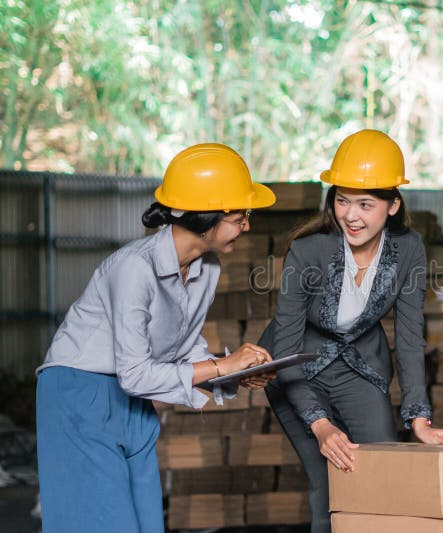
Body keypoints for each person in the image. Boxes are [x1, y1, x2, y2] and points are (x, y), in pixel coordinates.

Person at [35, 143, 278, 533]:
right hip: (78, 394)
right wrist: (221, 365)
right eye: (240, 215)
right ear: (205, 215)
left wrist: (234, 374)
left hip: (132, 404)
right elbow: (135, 373)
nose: (247, 225)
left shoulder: (207, 269)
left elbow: (183, 351)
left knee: (147, 524)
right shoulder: (135, 268)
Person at [258, 129, 443, 533]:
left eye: (366, 204)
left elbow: (408, 334)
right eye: (343, 200)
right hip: (296, 367)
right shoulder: (308, 250)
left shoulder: (408, 249)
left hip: (360, 368)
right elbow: (285, 340)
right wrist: (320, 424)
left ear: (392, 205)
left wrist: (418, 417)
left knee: (377, 475)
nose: (351, 215)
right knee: (327, 486)